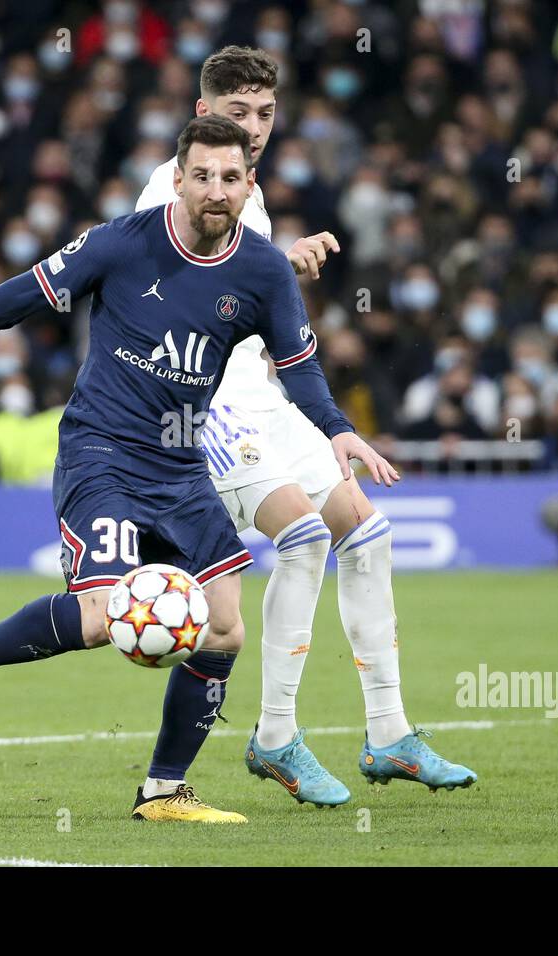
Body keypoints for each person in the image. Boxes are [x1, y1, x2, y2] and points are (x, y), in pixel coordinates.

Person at [0, 115, 397, 822]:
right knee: (100, 616)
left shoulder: (264, 270)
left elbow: (298, 366)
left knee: (225, 629)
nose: (215, 190)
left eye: (230, 178)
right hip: (101, 453)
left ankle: (164, 790)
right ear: (177, 180)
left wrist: (338, 431)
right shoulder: (123, 243)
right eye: (201, 175)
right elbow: (21, 294)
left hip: (180, 464)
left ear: (250, 185)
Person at [136, 46, 477, 804]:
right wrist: (267, 263)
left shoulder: (247, 191)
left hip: (265, 395)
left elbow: (243, 291)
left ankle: (389, 734)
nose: (253, 127)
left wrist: (275, 265)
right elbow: (160, 290)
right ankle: (276, 737)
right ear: (203, 113)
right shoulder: (172, 185)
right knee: (304, 535)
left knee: (367, 531)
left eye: (264, 113)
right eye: (238, 113)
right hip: (207, 401)